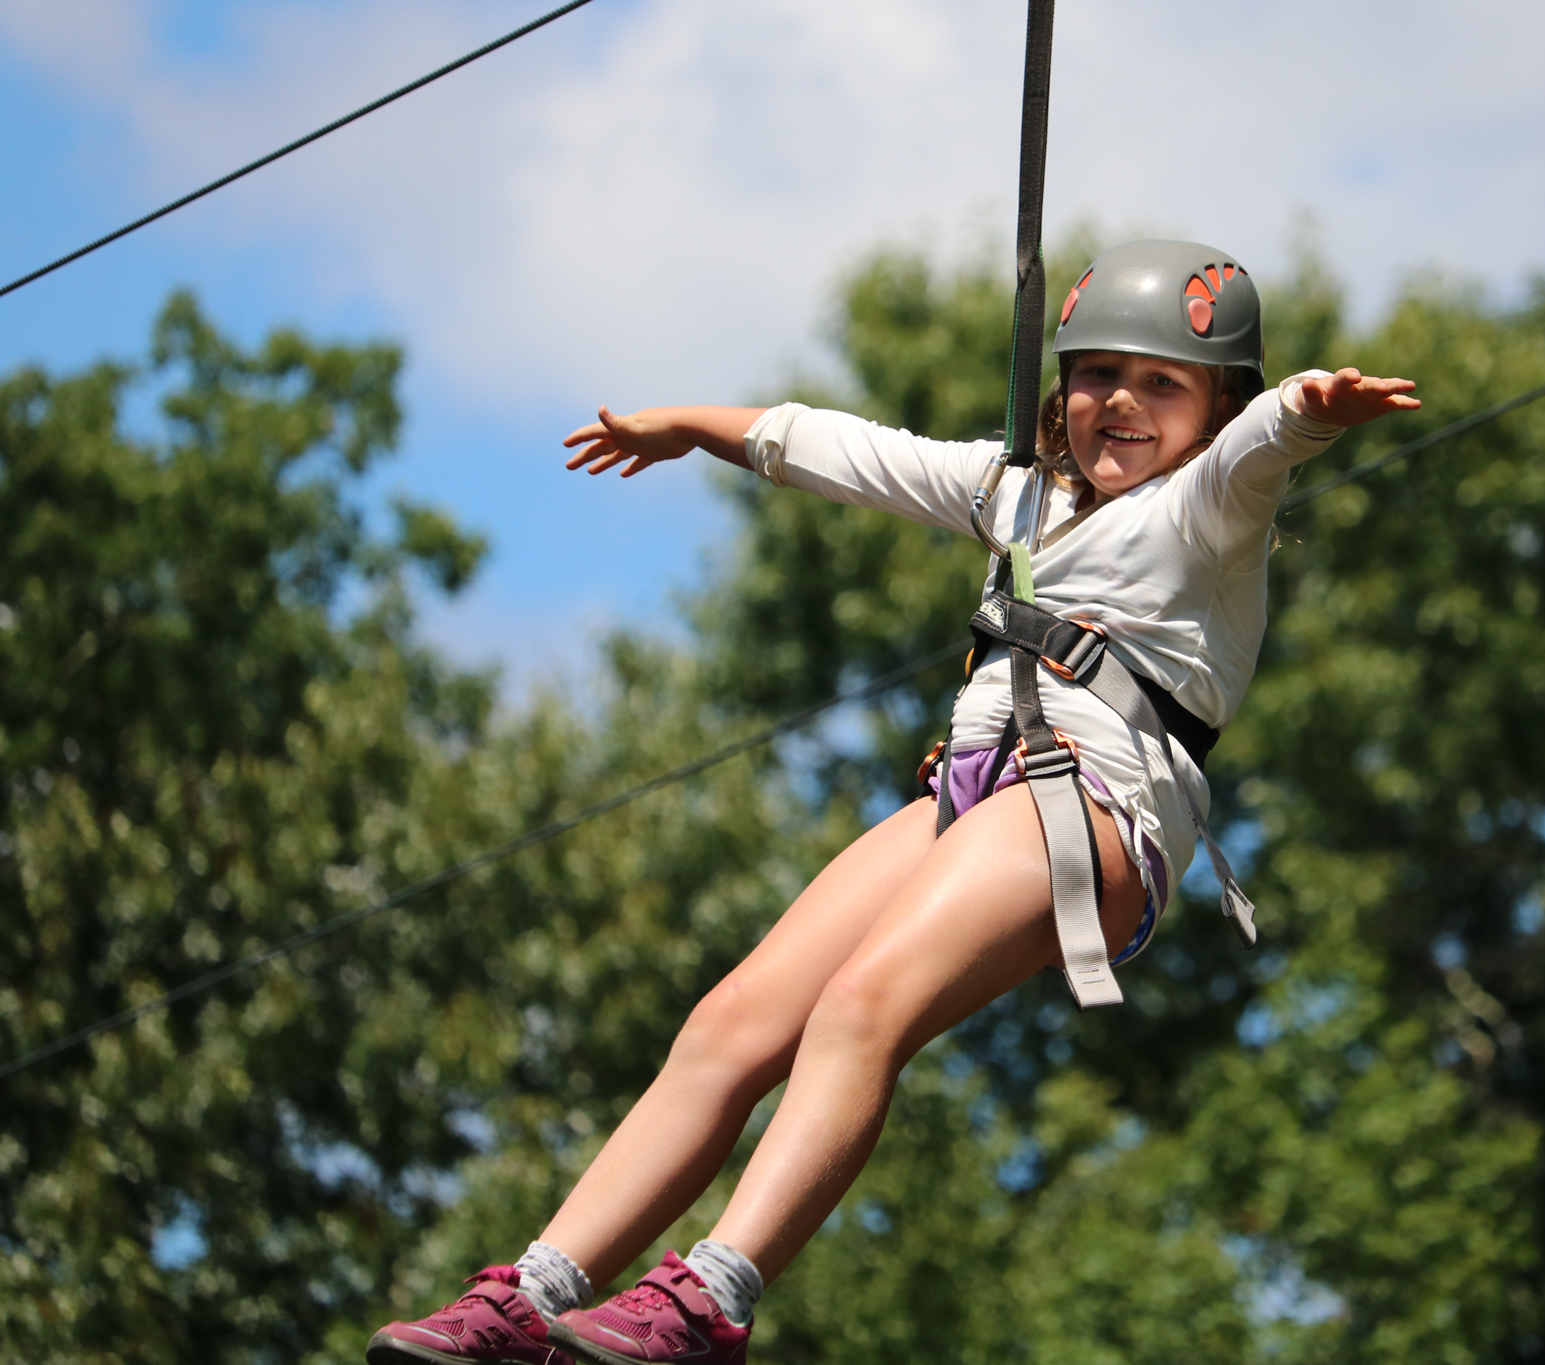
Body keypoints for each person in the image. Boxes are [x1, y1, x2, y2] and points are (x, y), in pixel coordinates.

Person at [366, 240, 1419, 1365]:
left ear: (1217, 408)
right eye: (1096, 374)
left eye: (1161, 382)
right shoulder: (1017, 496)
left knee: (862, 1004)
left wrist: (1305, 408)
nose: (1119, 401)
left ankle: (709, 1298)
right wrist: (687, 426)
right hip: (976, 795)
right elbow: (844, 450)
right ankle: (533, 1296)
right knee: (734, 1020)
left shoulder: (1208, 508)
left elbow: (1261, 450)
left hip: (1091, 803)